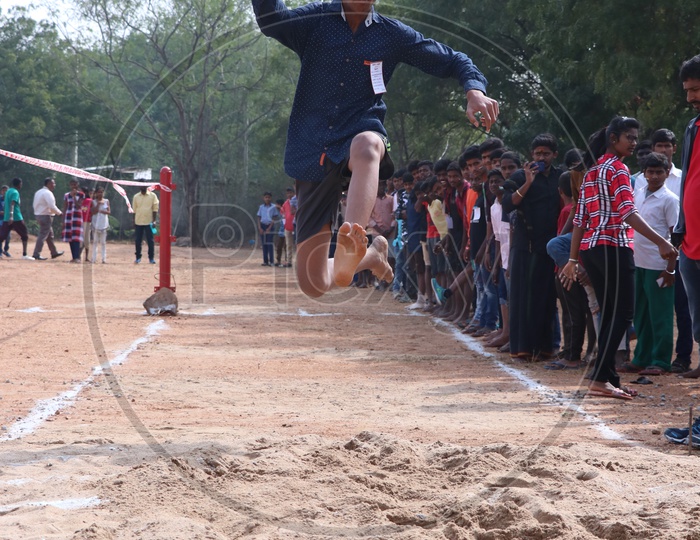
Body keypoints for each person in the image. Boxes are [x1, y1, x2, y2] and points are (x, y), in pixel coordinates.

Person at [252, 0, 498, 298]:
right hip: (312, 151)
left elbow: (453, 59)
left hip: (361, 134)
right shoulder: (315, 21)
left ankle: (351, 242)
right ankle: (368, 256)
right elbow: (271, 20)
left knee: (366, 145)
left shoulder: (392, 35)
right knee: (313, 283)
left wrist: (474, 89)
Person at [561, 116, 677, 400]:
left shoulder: (591, 172)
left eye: (636, 138)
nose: (635, 142)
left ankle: (609, 377)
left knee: (610, 313)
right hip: (613, 247)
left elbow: (580, 220)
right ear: (614, 139)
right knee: (623, 313)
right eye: (630, 137)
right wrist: (663, 241)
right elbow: (627, 212)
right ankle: (600, 377)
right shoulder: (619, 170)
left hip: (591, 250)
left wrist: (573, 259)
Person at [501, 134, 562, 361]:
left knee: (545, 298)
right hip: (525, 246)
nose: (541, 158)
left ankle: (545, 348)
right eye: (537, 154)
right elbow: (508, 205)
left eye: (546, 153)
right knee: (522, 297)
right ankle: (523, 348)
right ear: (531, 155)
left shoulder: (559, 177)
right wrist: (528, 182)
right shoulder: (519, 176)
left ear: (554, 155)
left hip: (550, 247)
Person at [617, 152, 678, 375]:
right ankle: (641, 357)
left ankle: (661, 361)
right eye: (650, 172)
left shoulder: (670, 199)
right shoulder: (638, 194)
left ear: (667, 173)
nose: (654, 176)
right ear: (643, 173)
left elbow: (676, 236)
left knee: (660, 315)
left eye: (659, 172)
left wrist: (670, 269)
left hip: (659, 266)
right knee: (641, 313)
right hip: (639, 262)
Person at [675, 55, 700, 379]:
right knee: (697, 307)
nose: (690, 98)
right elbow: (686, 179)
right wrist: (681, 227)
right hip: (690, 236)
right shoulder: (692, 127)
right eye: (688, 91)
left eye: (695, 89)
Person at [0, 178, 34, 260]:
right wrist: (11, 215)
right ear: (19, 184)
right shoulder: (15, 192)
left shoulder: (8, 191)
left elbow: (6, 204)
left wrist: (8, 215)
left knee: (2, 236)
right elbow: (12, 204)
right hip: (16, 217)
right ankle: (24, 254)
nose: (21, 185)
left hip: (6, 218)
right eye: (21, 184)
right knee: (25, 235)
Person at [32, 178, 64, 260]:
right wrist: (60, 213)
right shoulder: (48, 193)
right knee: (43, 235)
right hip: (46, 215)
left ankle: (54, 252)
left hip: (39, 215)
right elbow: (52, 206)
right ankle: (36, 253)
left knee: (50, 235)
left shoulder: (38, 192)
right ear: (48, 184)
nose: (54, 185)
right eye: (53, 183)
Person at [132, 184, 159, 264]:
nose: (143, 187)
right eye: (141, 185)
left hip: (149, 221)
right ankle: (138, 257)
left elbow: (155, 209)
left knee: (150, 241)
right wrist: (133, 221)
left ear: (147, 186)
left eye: (144, 185)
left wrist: (154, 220)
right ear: (139, 186)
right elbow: (134, 210)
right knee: (138, 240)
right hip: (138, 221)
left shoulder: (152, 195)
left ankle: (151, 258)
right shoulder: (136, 196)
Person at [62, 179, 84, 263]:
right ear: (70, 185)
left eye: (75, 184)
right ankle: (73, 257)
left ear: (77, 184)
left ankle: (77, 257)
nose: (73, 186)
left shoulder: (81, 194)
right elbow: (65, 207)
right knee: (70, 238)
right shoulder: (66, 195)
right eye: (72, 184)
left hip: (77, 218)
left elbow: (79, 206)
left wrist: (74, 196)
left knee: (76, 238)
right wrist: (63, 220)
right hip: (68, 217)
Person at [257, 191, 278, 267]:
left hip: (270, 226)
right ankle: (265, 261)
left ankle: (271, 261)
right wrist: (259, 228)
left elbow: (274, 217)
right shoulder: (261, 207)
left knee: (269, 243)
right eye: (266, 197)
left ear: (271, 198)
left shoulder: (273, 207)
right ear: (263, 198)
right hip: (263, 226)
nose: (267, 199)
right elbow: (259, 217)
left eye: (269, 197)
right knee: (264, 243)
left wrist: (269, 227)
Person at [90, 187, 111, 263]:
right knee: (95, 242)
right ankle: (94, 258)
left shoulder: (106, 201)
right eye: (98, 192)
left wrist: (102, 211)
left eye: (101, 192)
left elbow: (109, 212)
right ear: (96, 193)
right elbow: (93, 212)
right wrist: (98, 205)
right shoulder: (93, 202)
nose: (100, 194)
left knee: (103, 242)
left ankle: (103, 259)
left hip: (103, 224)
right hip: (95, 224)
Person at [281, 187, 296, 268]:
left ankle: (299, 261)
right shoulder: (285, 203)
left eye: (290, 193)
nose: (289, 194)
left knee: (298, 244)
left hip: (296, 226)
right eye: (288, 193)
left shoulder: (297, 201)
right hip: (287, 226)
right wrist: (284, 225)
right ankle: (289, 261)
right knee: (288, 245)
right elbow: (283, 215)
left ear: (293, 193)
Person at [81, 187, 93, 262]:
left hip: (87, 221)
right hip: (79, 221)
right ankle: (78, 255)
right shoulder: (80, 201)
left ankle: (86, 257)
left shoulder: (89, 201)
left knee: (87, 239)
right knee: (80, 239)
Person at [0, 185, 11, 257]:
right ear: (1, 191)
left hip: (7, 220)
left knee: (8, 236)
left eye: (6, 191)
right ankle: (0, 251)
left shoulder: (9, 201)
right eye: (4, 190)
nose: (5, 192)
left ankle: (6, 250)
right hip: (0, 220)